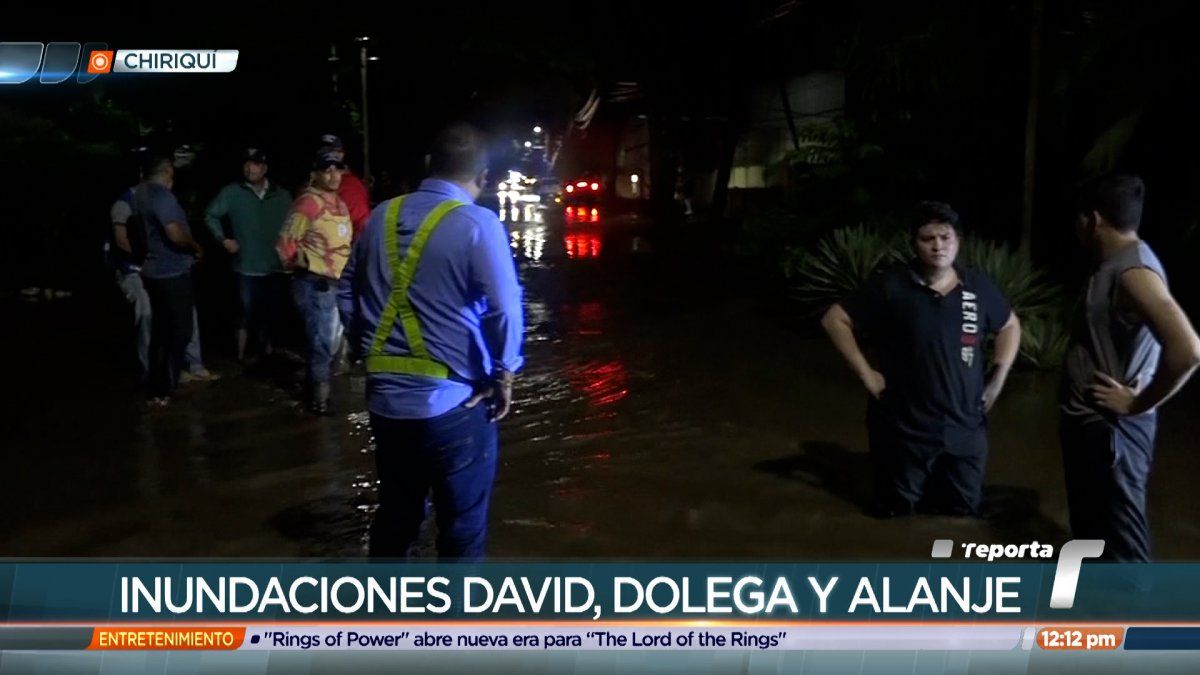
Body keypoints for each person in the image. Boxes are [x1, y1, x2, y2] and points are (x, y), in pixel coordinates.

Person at [338, 123, 524, 559]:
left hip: (385, 403)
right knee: (462, 532)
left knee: (396, 520)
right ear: (482, 175)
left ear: (429, 165)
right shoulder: (478, 224)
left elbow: (347, 288)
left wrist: (368, 346)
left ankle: (381, 621)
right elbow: (505, 309)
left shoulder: (381, 216)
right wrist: (505, 374)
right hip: (455, 405)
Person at [821, 201, 1021, 517]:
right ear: (914, 243)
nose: (938, 246)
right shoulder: (890, 285)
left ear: (958, 241)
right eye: (928, 239)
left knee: (961, 512)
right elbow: (834, 320)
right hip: (904, 427)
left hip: (965, 426)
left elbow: (1009, 325)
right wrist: (866, 374)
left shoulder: (978, 287)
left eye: (945, 237)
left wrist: (998, 379)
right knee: (894, 512)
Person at [1060, 174, 1200, 561]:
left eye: (1079, 218)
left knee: (1124, 552)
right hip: (1094, 428)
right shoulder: (1114, 263)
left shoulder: (1133, 272)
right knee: (1095, 539)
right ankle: (1092, 615)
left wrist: (1138, 404)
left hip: (1114, 431)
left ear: (1094, 219)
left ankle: (1137, 619)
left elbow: (1187, 349)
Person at [110, 184, 214, 382]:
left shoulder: (160, 196)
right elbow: (121, 240)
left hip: (163, 268)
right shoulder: (125, 202)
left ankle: (192, 364)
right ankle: (152, 372)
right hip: (136, 269)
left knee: (185, 312)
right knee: (147, 314)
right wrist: (144, 262)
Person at [277, 151, 354, 413]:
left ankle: (316, 389)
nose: (333, 175)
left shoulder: (339, 204)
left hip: (336, 284)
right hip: (315, 284)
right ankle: (319, 399)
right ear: (317, 173)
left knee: (328, 343)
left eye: (337, 170)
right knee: (321, 342)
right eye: (327, 170)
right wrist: (304, 265)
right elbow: (284, 244)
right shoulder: (308, 203)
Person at [204, 148, 293, 366]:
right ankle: (240, 356)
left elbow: (294, 225)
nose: (249, 168)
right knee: (244, 311)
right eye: (246, 163)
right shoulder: (232, 192)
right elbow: (210, 215)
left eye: (254, 164)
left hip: (275, 265)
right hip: (246, 265)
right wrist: (223, 239)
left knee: (271, 311)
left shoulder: (282, 195)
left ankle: (268, 352)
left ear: (264, 168)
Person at [134, 155, 206, 406]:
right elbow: (174, 233)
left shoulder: (140, 193)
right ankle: (166, 383)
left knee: (161, 329)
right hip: (171, 272)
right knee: (181, 329)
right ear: (166, 172)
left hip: (153, 271)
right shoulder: (162, 196)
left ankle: (157, 385)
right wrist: (195, 247)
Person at [318, 134, 371, 238]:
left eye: (333, 151)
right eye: (323, 151)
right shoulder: (312, 187)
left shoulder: (350, 186)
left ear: (341, 154)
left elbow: (362, 227)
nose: (328, 155)